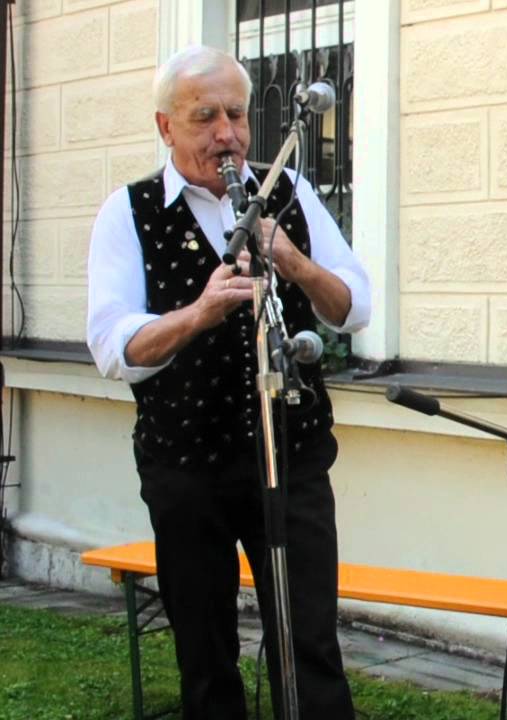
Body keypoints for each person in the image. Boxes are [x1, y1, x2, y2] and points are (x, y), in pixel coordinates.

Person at [86, 45, 370, 719]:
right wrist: (198, 313)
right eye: (205, 116)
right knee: (206, 653)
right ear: (165, 127)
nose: (227, 134)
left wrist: (295, 262)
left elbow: (354, 307)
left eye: (237, 115)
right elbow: (112, 345)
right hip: (187, 466)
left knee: (309, 646)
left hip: (292, 461)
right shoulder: (127, 213)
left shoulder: (289, 194)